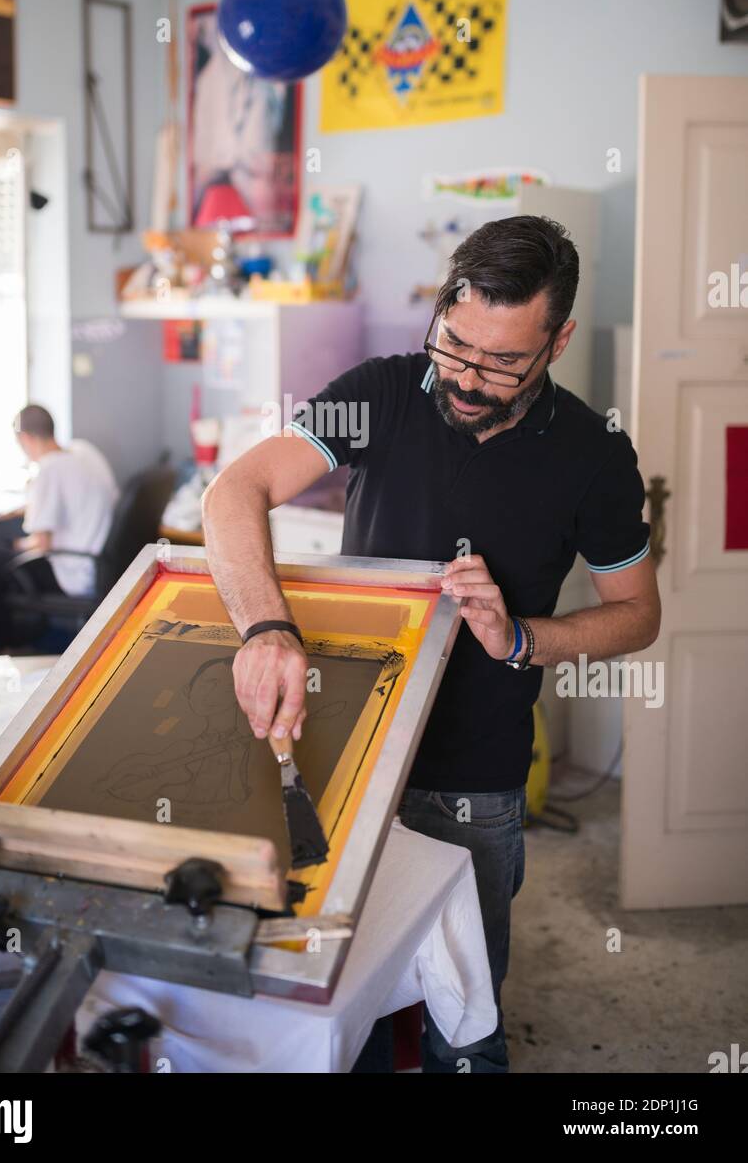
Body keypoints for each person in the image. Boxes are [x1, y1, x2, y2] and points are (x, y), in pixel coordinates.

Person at [200, 215, 661, 1073]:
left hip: (473, 775)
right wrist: (266, 627)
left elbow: (636, 613)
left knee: (465, 1013)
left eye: (501, 362)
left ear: (556, 341)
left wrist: (522, 636)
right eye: (454, 345)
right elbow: (237, 488)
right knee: (348, 988)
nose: (466, 378)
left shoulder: (595, 455)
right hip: (352, 751)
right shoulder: (379, 391)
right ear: (444, 306)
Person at [0, 405, 119, 650]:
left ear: (25, 439)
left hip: (71, 574)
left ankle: (7, 643)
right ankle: (25, 634)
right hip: (99, 563)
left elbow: (39, 544)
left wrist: (13, 545)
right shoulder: (84, 451)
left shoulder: (48, 470)